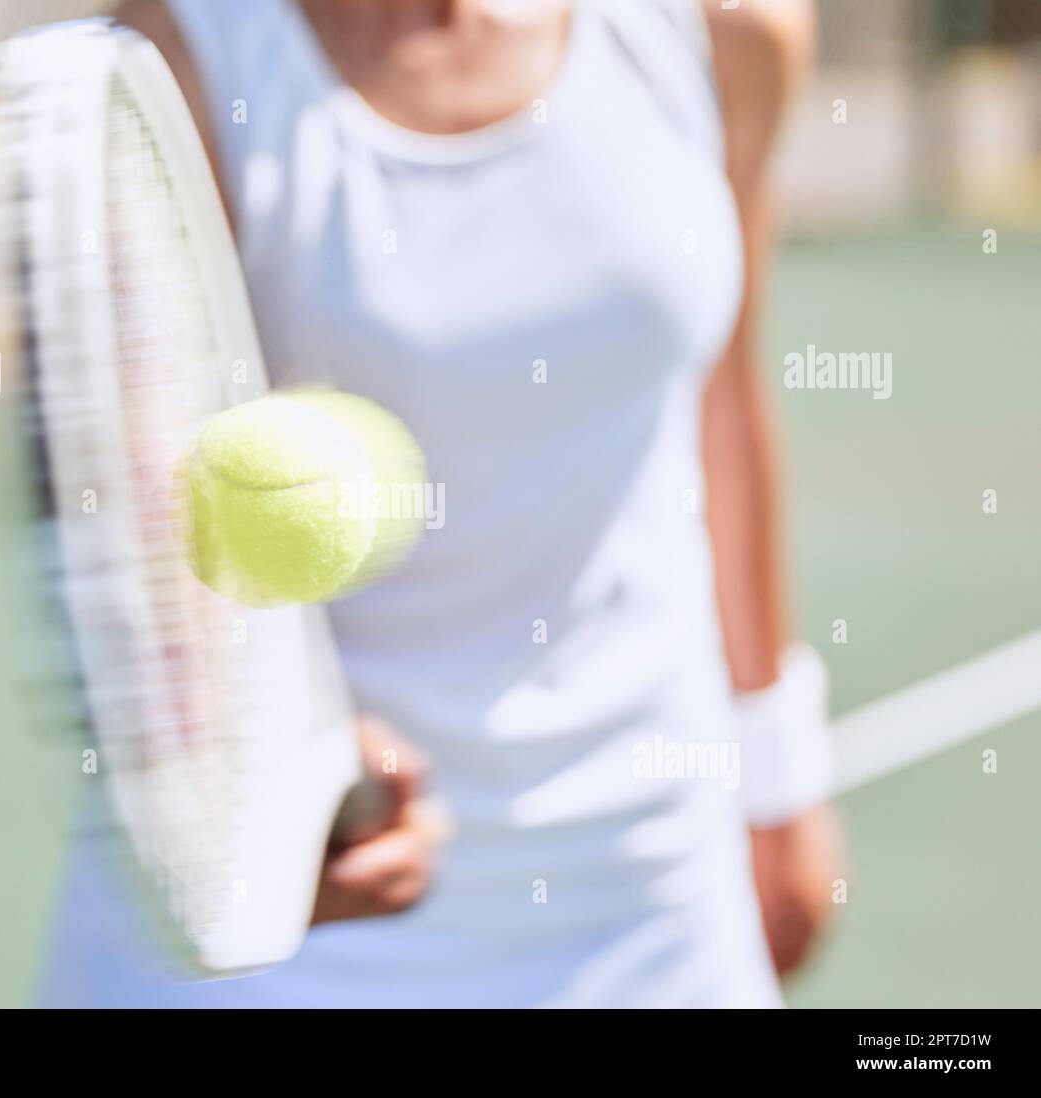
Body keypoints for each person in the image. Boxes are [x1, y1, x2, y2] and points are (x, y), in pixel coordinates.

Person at [42, 0, 844, 1008]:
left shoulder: (732, 28)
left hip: (653, 890)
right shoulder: (174, 57)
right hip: (299, 920)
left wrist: (777, 769)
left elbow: (721, 402)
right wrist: (289, 777)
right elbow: (134, 538)